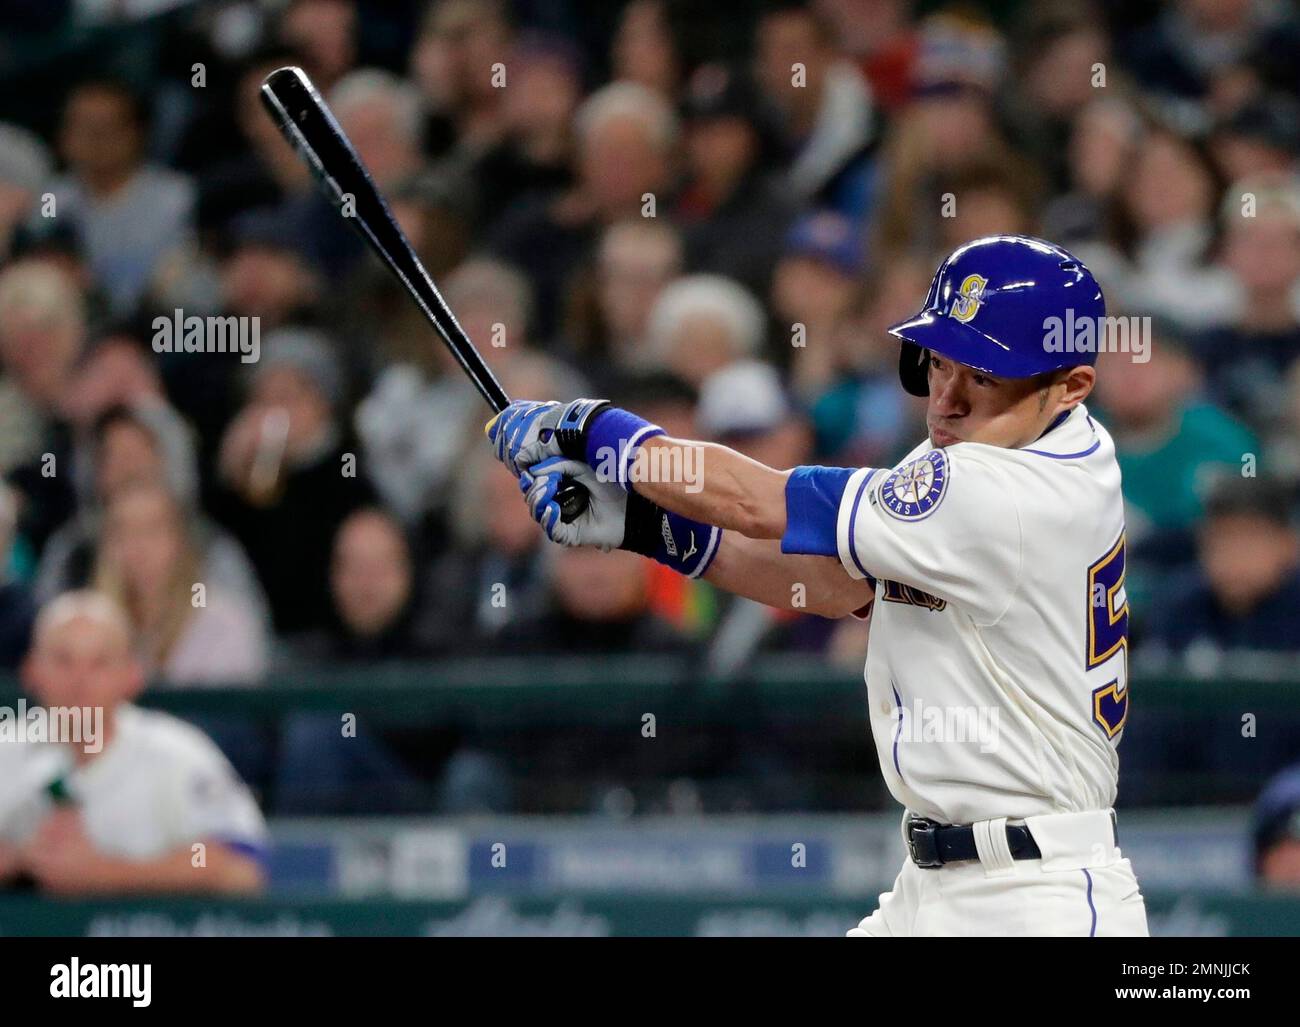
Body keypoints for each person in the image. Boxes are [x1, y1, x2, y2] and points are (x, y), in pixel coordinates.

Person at [487, 235, 1148, 936]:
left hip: (1030, 898)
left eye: (982, 376)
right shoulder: (1012, 442)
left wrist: (601, 430)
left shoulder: (1005, 488)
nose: (945, 401)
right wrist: (646, 526)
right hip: (944, 882)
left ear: (1071, 384)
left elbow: (760, 502)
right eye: (941, 363)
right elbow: (833, 587)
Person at [0, 591, 265, 895]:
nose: (79, 681)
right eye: (63, 660)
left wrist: (102, 873)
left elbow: (241, 867)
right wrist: (18, 858)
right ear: (32, 670)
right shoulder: (5, 747)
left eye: (99, 663)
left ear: (131, 675)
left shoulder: (177, 753)